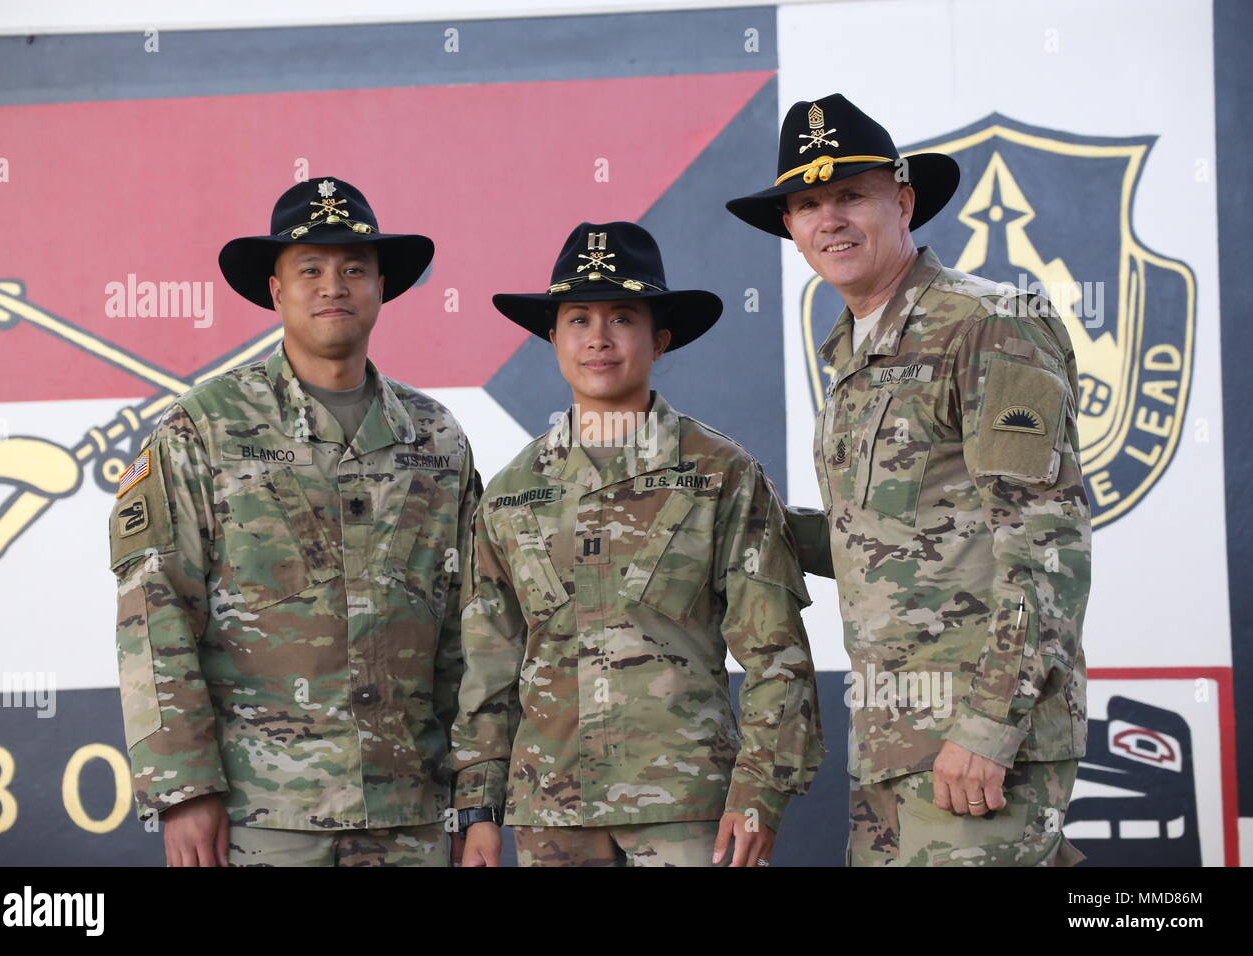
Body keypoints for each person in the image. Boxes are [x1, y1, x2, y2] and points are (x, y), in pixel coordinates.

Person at [727, 95, 1090, 866]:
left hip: (979, 744)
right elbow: (889, 540)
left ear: (902, 201)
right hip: (894, 740)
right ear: (791, 231)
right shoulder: (854, 353)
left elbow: (1046, 549)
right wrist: (737, 518)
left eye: (851, 195)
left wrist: (988, 728)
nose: (831, 219)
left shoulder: (989, 323)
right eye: (808, 204)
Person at [108, 177, 480, 866]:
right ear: (276, 291)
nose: (332, 286)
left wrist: (477, 793)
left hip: (412, 812)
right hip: (263, 813)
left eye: (353, 269)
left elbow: (471, 628)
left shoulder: (437, 439)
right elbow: (154, 613)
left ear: (381, 287)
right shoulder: (205, 429)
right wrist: (183, 790)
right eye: (309, 268)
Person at [448, 221, 821, 867]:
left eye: (622, 316)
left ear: (660, 339)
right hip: (552, 811)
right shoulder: (509, 495)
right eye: (578, 319)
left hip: (689, 806)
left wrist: (761, 789)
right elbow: (487, 668)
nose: (598, 337)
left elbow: (774, 652)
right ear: (553, 337)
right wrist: (477, 805)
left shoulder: (719, 474)